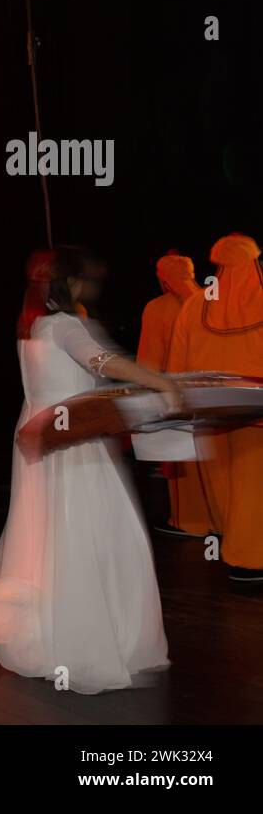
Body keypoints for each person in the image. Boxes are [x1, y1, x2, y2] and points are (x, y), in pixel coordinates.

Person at [0, 247, 175, 693]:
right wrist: (161, 381)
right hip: (70, 434)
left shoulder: (34, 326)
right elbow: (102, 363)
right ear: (73, 284)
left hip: (41, 431)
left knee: (45, 535)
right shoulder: (64, 325)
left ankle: (45, 631)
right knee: (87, 533)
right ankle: (84, 641)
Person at [166, 234, 263, 583]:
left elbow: (177, 362)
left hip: (210, 408)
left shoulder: (196, 305)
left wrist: (178, 401)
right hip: (256, 412)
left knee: (223, 483)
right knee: (253, 485)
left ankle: (233, 548)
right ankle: (250, 559)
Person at [136, 252, 206, 539]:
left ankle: (189, 521)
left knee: (181, 461)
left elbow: (149, 361)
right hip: (214, 394)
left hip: (175, 392)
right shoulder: (210, 300)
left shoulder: (157, 307)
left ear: (163, 279)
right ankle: (218, 520)